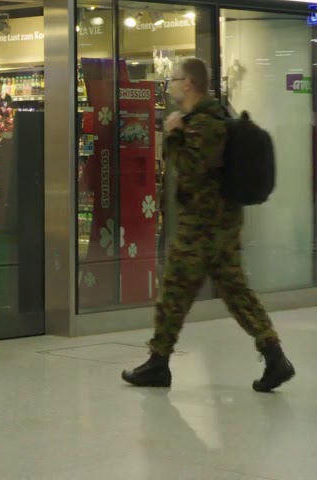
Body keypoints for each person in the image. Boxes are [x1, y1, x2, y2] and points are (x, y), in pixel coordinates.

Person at [122, 58, 295, 393]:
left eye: (173, 79)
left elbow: (189, 171)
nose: (169, 84)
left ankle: (159, 362)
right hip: (220, 225)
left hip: (202, 226)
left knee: (175, 290)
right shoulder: (208, 119)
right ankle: (274, 356)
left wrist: (172, 136)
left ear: (189, 83)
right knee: (234, 291)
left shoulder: (204, 124)